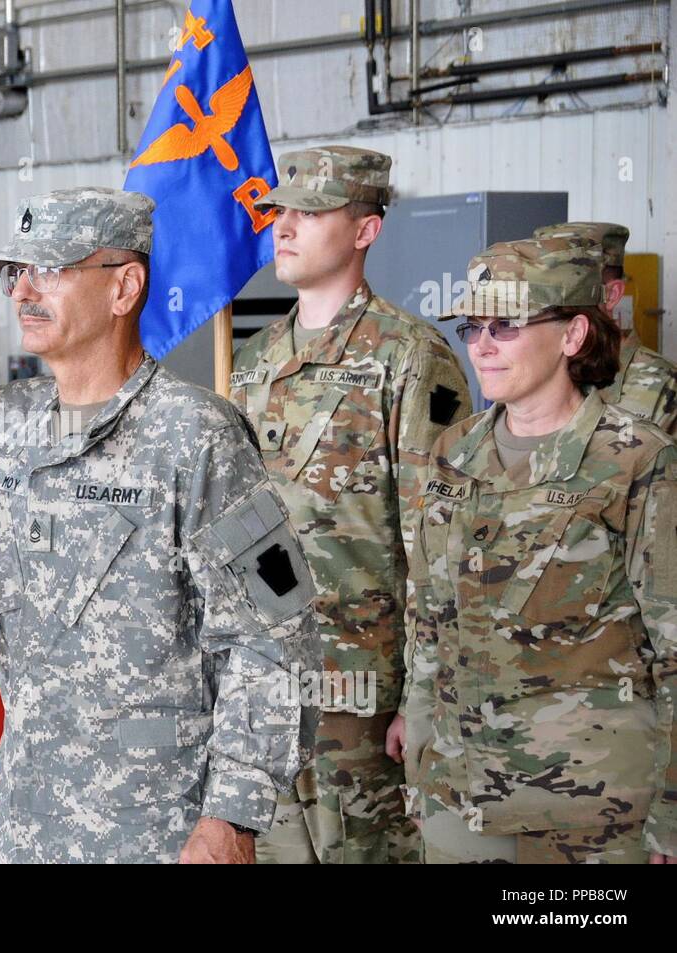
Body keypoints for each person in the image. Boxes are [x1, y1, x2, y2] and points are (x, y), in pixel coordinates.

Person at [0, 186, 321, 863]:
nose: (25, 291)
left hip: (163, 829)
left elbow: (275, 635)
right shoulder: (1, 427)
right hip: (34, 822)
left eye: (54, 270)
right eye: (18, 273)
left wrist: (232, 815)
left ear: (125, 287)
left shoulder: (197, 438)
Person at [230, 146, 471, 864]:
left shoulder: (411, 357)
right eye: (281, 211)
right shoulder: (254, 360)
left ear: (365, 230)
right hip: (264, 689)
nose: (285, 226)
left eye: (310, 211)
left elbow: (443, 544)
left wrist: (423, 698)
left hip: (361, 698)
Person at [401, 237, 677, 864]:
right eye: (474, 326)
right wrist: (419, 743)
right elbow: (430, 616)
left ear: (574, 334)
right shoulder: (454, 451)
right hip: (459, 789)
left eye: (507, 324)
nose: (482, 345)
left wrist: (672, 811)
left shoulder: (637, 459)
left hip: (590, 804)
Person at [533, 221, 677, 435]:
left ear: (611, 295)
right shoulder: (532, 370)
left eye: (568, 291)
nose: (549, 306)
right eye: (541, 293)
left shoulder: (664, 387)